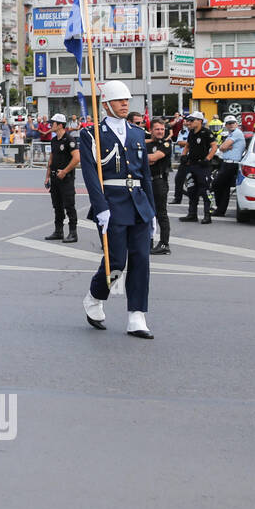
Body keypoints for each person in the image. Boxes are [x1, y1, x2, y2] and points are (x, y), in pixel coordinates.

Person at [78, 81, 156, 339]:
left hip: (139, 204)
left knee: (141, 259)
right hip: (112, 204)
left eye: (127, 100)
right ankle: (95, 295)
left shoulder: (136, 133)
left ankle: (136, 315)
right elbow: (91, 174)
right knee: (117, 262)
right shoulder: (91, 134)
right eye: (119, 100)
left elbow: (145, 174)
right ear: (106, 104)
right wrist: (100, 207)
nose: (125, 104)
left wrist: (153, 212)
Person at [43, 113, 79, 243]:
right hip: (54, 178)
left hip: (66, 178)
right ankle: (58, 231)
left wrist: (65, 171)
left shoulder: (69, 139)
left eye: (52, 123)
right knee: (57, 206)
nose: (50, 125)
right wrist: (47, 176)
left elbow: (77, 158)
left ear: (59, 125)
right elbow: (51, 159)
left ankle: (73, 233)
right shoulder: (54, 140)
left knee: (69, 205)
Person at [179, 111, 217, 225]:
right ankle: (192, 214)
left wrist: (208, 159)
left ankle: (207, 215)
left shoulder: (206, 132)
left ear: (200, 121)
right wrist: (183, 156)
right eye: (188, 120)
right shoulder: (191, 133)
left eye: (192, 120)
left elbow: (214, 147)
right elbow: (187, 145)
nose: (189, 122)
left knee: (205, 191)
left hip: (203, 166)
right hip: (192, 165)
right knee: (191, 190)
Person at [147, 118, 172, 255]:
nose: (160, 132)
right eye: (157, 129)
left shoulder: (166, 144)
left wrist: (141, 157)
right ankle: (148, 241)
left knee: (161, 213)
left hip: (159, 182)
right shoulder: (148, 143)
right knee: (147, 213)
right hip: (147, 182)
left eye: (162, 129)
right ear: (151, 130)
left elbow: (153, 158)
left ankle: (164, 244)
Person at [212, 115, 246, 217]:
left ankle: (220, 209)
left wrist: (226, 146)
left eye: (233, 123)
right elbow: (224, 147)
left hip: (231, 164)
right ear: (226, 125)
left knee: (217, 185)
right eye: (229, 123)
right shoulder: (231, 134)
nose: (231, 125)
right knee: (224, 188)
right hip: (227, 162)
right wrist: (226, 146)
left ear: (236, 123)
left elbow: (223, 147)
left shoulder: (236, 133)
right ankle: (220, 210)